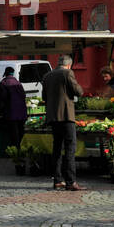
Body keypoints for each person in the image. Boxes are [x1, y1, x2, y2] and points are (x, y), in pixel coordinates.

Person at [41, 54, 84, 191]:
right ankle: (71, 181)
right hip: (66, 116)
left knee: (57, 149)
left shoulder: (47, 76)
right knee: (70, 148)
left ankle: (58, 180)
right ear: (69, 65)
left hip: (53, 117)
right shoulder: (67, 73)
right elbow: (78, 91)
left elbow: (44, 97)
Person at [0, 66, 28, 154]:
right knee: (21, 132)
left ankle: (15, 152)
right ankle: (22, 151)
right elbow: (24, 96)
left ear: (5, 73)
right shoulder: (18, 83)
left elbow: (2, 98)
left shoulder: (4, 83)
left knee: (14, 134)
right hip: (22, 112)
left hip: (11, 112)